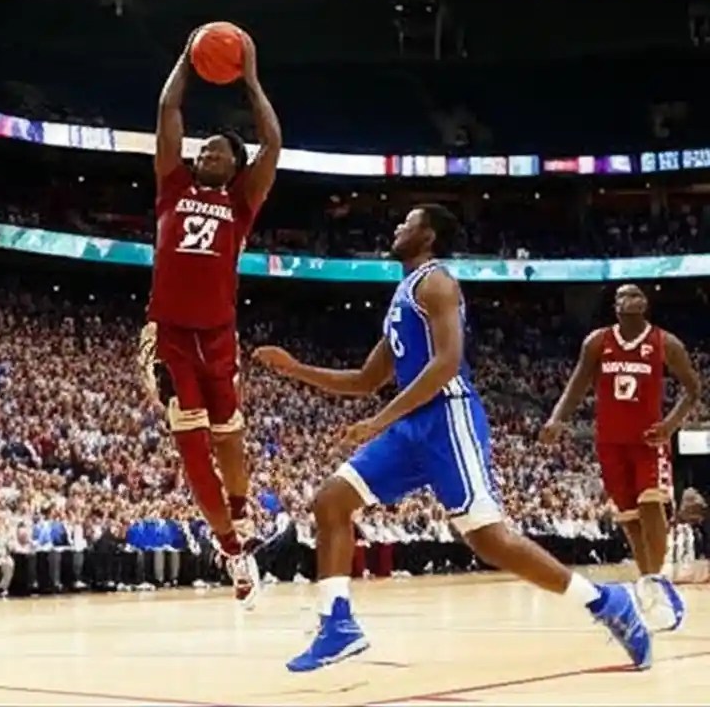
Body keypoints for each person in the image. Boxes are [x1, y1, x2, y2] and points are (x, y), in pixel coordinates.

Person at [254, 205, 652, 672]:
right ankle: (337, 625)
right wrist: (295, 368)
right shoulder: (403, 295)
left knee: (489, 539)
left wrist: (380, 420)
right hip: (412, 426)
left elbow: (446, 365)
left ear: (428, 236)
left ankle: (607, 602)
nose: (398, 226)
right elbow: (365, 379)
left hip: (447, 417)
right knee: (330, 501)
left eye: (408, 221)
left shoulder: (436, 282)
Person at [137, 25, 281, 609]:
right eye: (204, 149)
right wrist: (188, 55)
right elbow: (168, 107)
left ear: (234, 166)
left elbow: (273, 144)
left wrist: (249, 80)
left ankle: (242, 518)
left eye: (219, 151)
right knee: (194, 445)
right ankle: (230, 549)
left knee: (231, 439)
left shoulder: (241, 204)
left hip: (219, 335)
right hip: (170, 334)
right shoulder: (172, 186)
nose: (206, 153)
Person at [540, 283, 697, 631]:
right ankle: (647, 585)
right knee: (629, 520)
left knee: (651, 504)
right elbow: (578, 384)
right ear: (614, 306)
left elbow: (692, 388)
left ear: (645, 304)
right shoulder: (597, 341)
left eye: (635, 295)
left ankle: (657, 579)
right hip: (610, 442)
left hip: (648, 441)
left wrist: (670, 424)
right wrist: (557, 418)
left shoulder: (664, 342)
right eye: (622, 295)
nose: (628, 299)